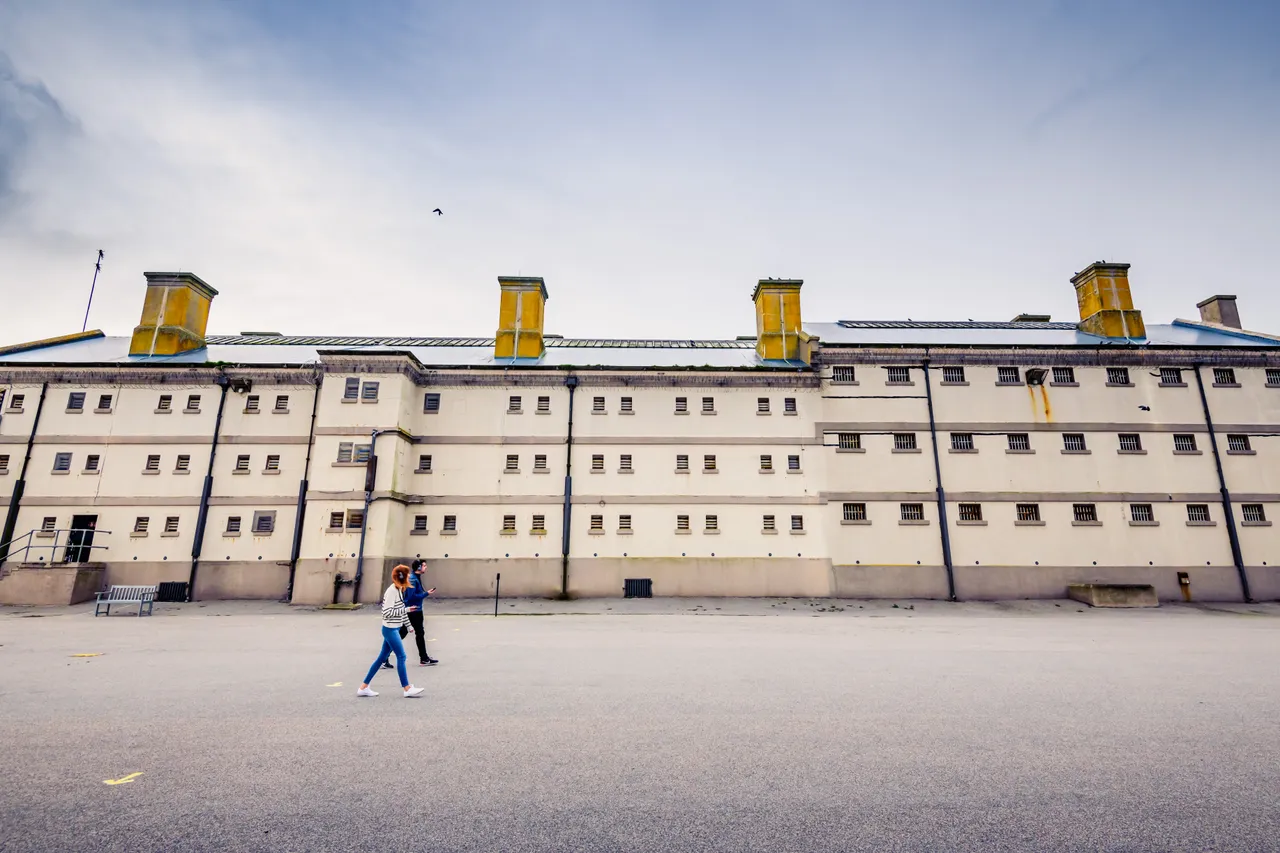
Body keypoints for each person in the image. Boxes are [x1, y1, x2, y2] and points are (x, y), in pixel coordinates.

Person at [357, 565, 424, 698]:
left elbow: (401, 608)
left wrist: (409, 625)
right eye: (407, 576)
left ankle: (363, 687)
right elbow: (387, 613)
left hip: (394, 628)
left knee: (381, 658)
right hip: (390, 629)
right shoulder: (392, 591)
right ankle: (407, 688)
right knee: (401, 656)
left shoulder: (398, 589)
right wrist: (406, 611)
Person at [404, 559, 438, 666]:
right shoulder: (413, 579)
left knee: (416, 633)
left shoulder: (416, 578)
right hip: (413, 610)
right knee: (414, 633)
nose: (426, 567)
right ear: (418, 567)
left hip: (416, 610)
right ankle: (423, 658)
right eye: (424, 566)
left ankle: (424, 657)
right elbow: (411, 597)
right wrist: (426, 593)